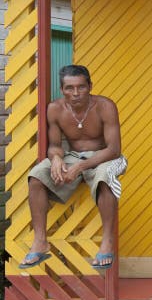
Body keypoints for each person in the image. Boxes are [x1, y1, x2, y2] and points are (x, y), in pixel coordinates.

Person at [20, 65, 127, 270]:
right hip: (72, 156)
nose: (75, 93)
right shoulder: (55, 109)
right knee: (36, 177)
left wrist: (80, 167)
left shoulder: (105, 106)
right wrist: (57, 159)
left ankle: (107, 241)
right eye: (69, 88)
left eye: (81, 87)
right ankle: (41, 241)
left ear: (90, 86)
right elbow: (54, 146)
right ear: (62, 89)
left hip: (105, 157)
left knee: (104, 177)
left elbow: (114, 149)